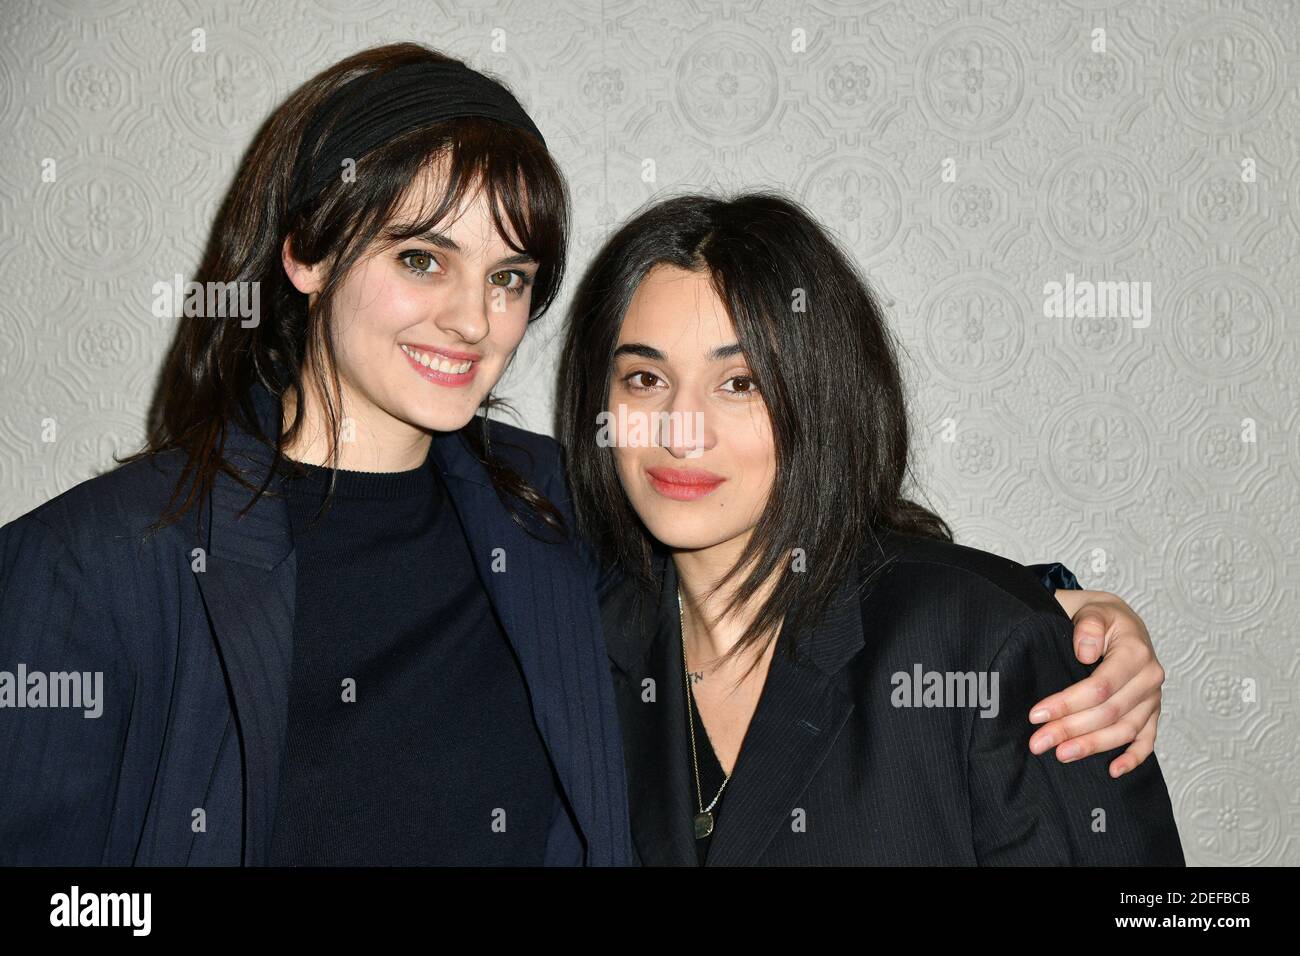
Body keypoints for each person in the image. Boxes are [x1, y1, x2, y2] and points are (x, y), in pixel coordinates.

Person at [1, 42, 1158, 867]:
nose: (470, 318)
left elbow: (818, 555)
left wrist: (1060, 624)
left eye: (508, 278)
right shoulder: (95, 564)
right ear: (305, 250)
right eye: (421, 257)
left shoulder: (554, 517)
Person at [557, 192, 1183, 865]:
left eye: (740, 383)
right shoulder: (572, 649)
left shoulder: (981, 651)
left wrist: (1037, 619)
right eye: (645, 379)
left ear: (823, 395)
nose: (680, 431)